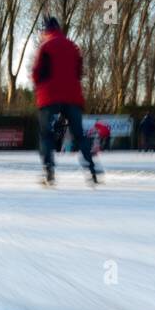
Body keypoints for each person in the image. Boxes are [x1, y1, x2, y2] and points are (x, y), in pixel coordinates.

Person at [30, 16, 100, 186]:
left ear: (45, 30)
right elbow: (79, 72)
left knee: (45, 134)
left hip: (49, 97)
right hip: (72, 97)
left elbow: (36, 73)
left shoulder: (45, 46)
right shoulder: (72, 46)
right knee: (79, 135)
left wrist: (40, 85)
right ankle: (92, 171)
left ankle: (49, 172)